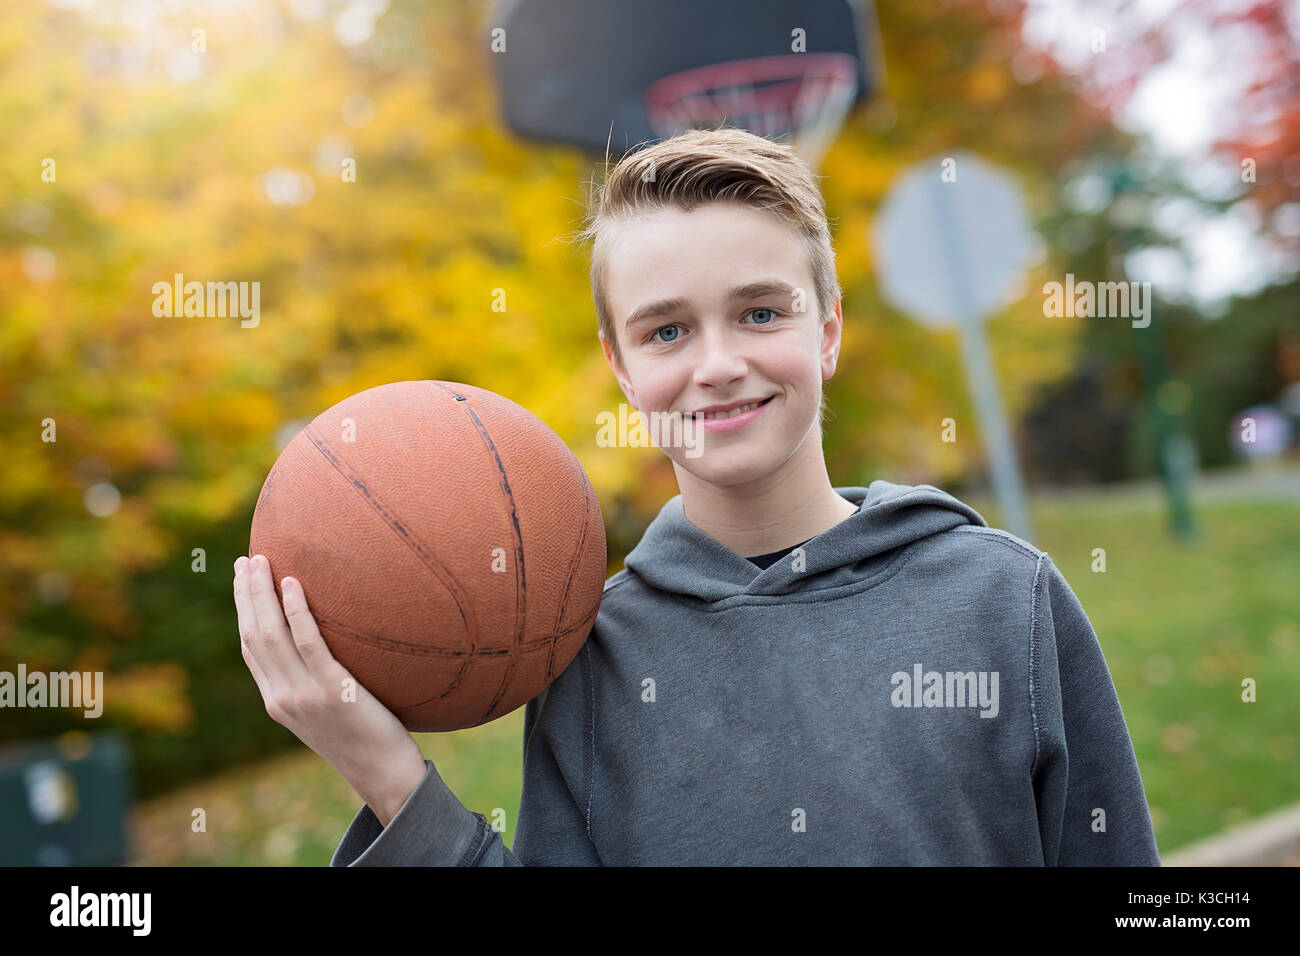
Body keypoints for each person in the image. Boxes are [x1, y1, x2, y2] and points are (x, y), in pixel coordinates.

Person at [233, 127, 1161, 866]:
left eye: (762, 312)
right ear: (622, 367)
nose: (718, 365)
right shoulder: (586, 663)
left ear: (827, 330)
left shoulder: (1001, 600)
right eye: (668, 330)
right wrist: (390, 778)